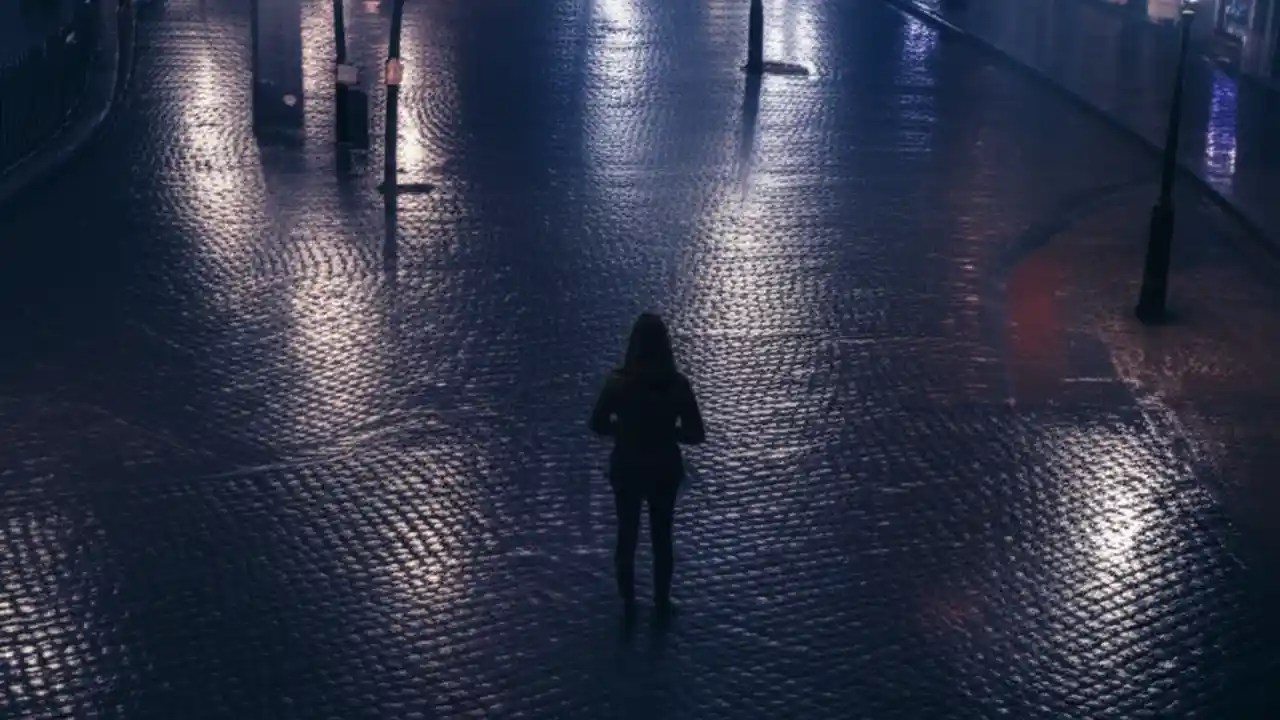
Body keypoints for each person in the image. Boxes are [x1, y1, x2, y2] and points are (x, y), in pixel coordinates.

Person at [590, 313, 705, 620]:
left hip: (627, 467)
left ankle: (628, 602)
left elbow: (597, 423)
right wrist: (670, 433)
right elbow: (697, 434)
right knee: (662, 538)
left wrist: (624, 430)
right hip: (664, 469)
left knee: (626, 536)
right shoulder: (678, 385)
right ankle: (662, 601)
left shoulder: (618, 384)